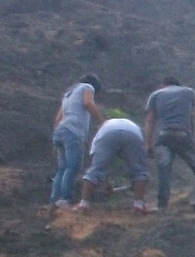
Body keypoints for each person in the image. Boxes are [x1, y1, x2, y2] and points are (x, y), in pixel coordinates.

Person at [144, 77, 195, 211]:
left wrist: (147, 144)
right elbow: (190, 115)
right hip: (183, 135)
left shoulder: (155, 95)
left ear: (163, 85)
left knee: (164, 171)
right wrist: (190, 136)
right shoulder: (189, 92)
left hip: (163, 136)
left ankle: (162, 206)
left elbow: (149, 121)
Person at [49, 74, 104, 208]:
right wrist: (102, 122)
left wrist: (56, 140)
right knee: (72, 167)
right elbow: (88, 103)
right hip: (73, 132)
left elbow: (57, 119)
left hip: (60, 131)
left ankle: (54, 200)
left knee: (62, 168)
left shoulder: (68, 94)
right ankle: (64, 199)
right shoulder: (87, 87)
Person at [76, 117, 151, 213]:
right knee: (139, 171)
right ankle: (139, 205)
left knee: (95, 170)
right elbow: (141, 159)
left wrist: (103, 180)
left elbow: (96, 163)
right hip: (133, 133)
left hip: (108, 132)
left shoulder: (100, 133)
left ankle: (84, 204)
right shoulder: (135, 128)